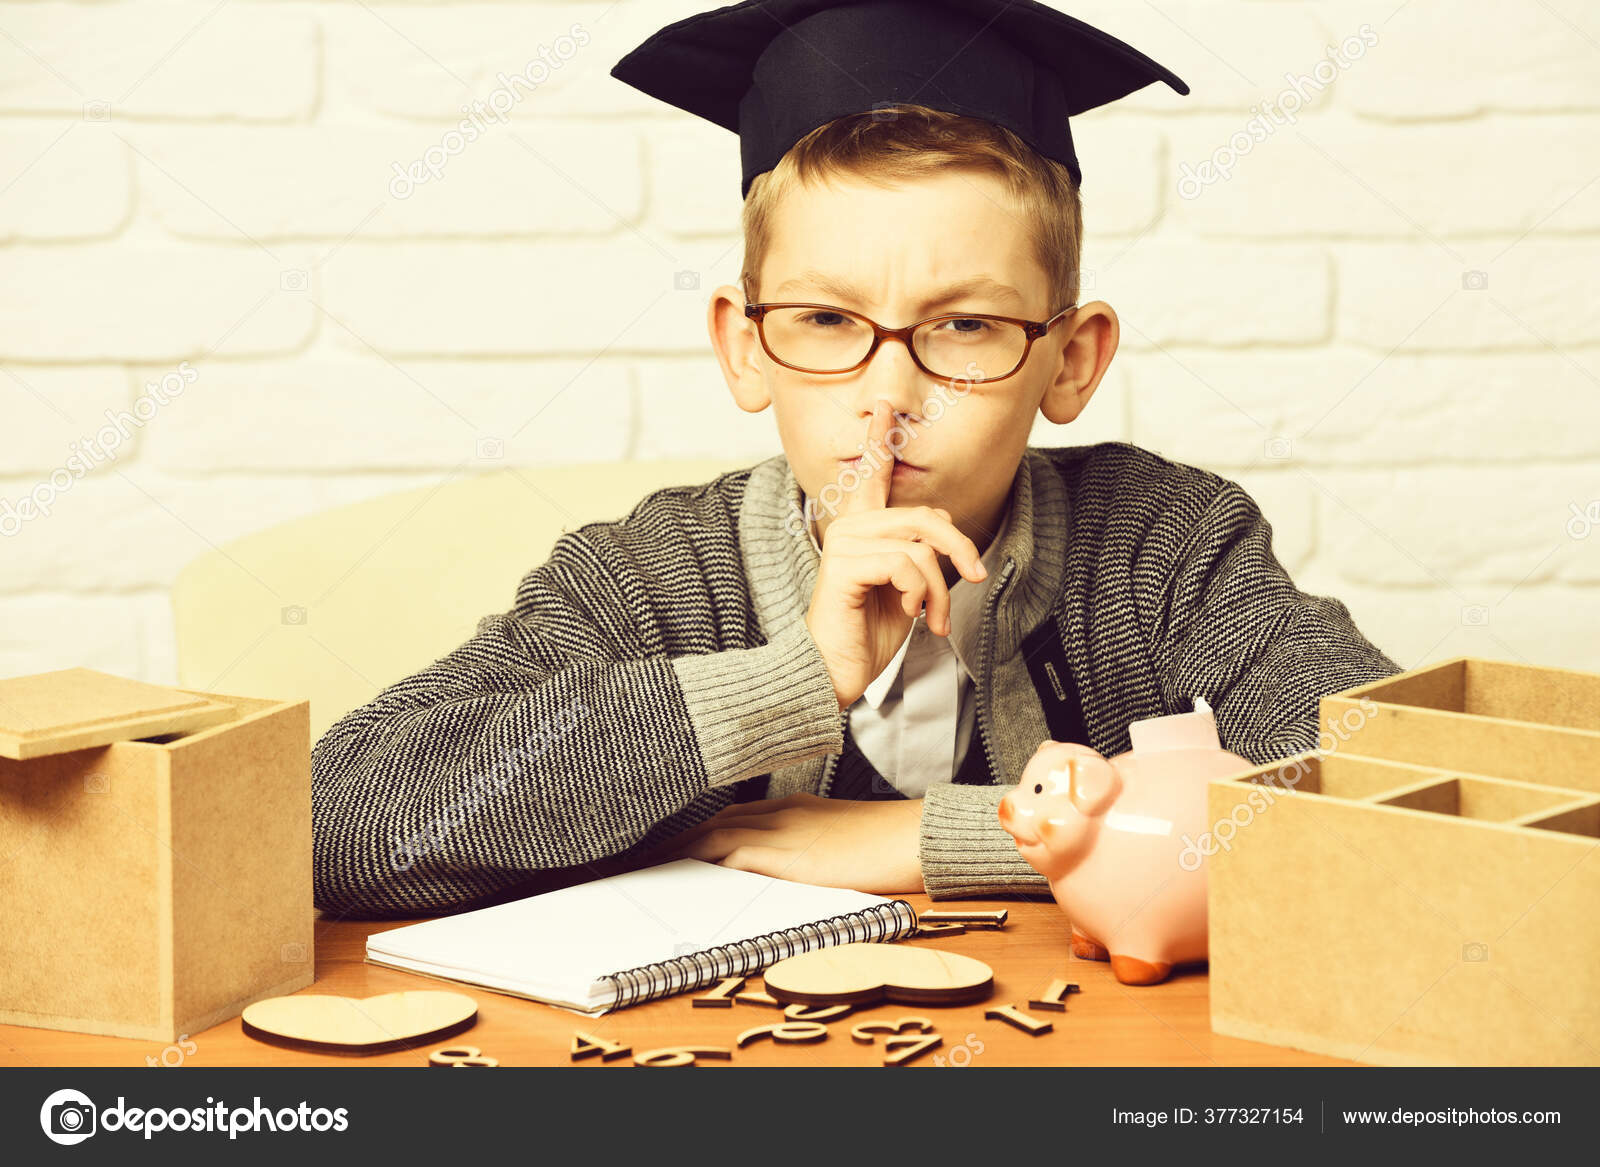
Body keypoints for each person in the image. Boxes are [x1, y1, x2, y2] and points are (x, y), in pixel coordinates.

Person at [311, 0, 1401, 919]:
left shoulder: (1165, 549)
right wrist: (791, 682)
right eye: (828, 323)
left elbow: (1384, 799)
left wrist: (950, 838)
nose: (889, 396)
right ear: (746, 349)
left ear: (1069, 361)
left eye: (965, 327)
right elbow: (335, 823)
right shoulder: (647, 579)